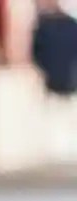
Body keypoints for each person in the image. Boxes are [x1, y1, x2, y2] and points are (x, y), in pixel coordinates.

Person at [33, 0, 77, 159]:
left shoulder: (45, 27)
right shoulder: (47, 27)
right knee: (61, 116)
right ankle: (61, 149)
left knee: (62, 116)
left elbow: (37, 53)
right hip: (65, 79)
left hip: (61, 79)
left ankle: (61, 149)